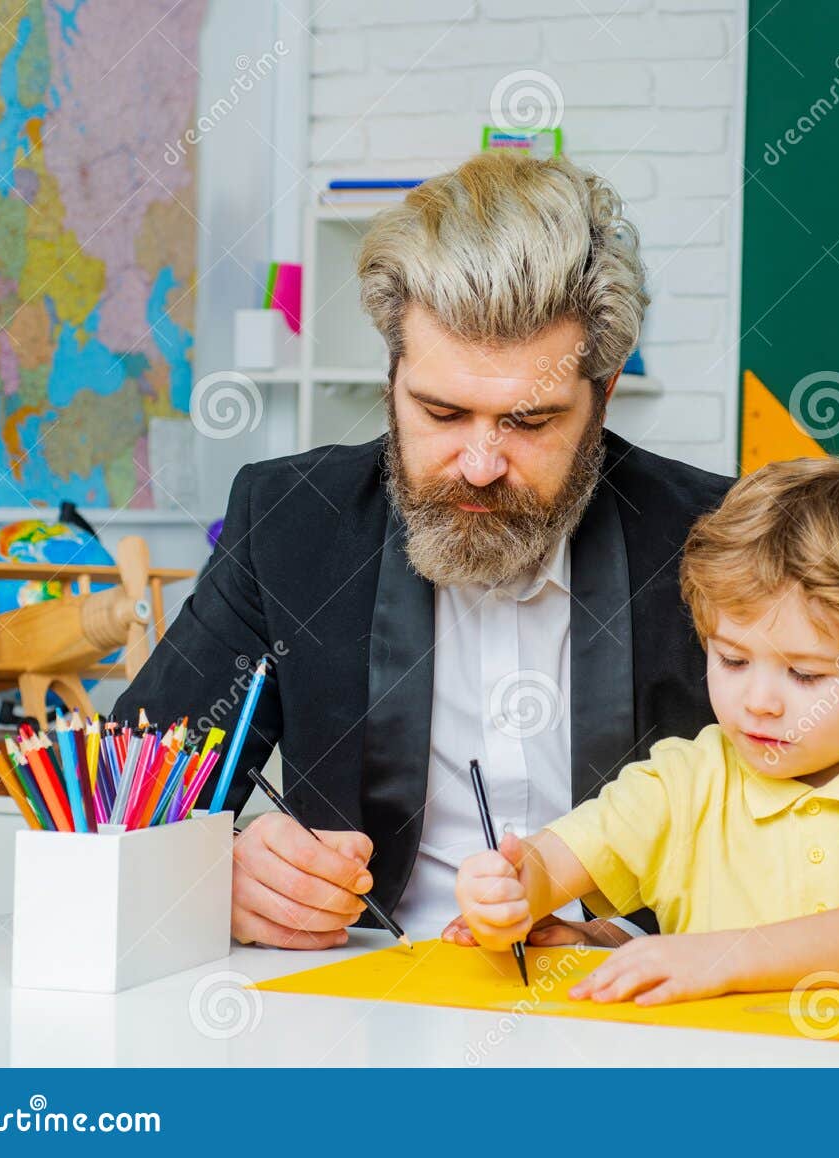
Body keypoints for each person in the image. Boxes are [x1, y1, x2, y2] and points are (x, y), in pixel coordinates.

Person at [116, 152, 730, 949]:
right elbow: (119, 795)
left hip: (640, 1018)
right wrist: (211, 872)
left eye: (530, 422)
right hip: (363, 1009)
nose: (479, 466)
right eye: (441, 413)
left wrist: (652, 943)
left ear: (603, 395)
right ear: (393, 373)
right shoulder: (291, 521)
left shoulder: (719, 536)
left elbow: (830, 829)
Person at [453, 457, 839, 1004]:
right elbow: (552, 863)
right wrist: (507, 891)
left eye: (805, 673)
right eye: (732, 660)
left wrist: (716, 958)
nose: (758, 702)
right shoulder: (687, 776)